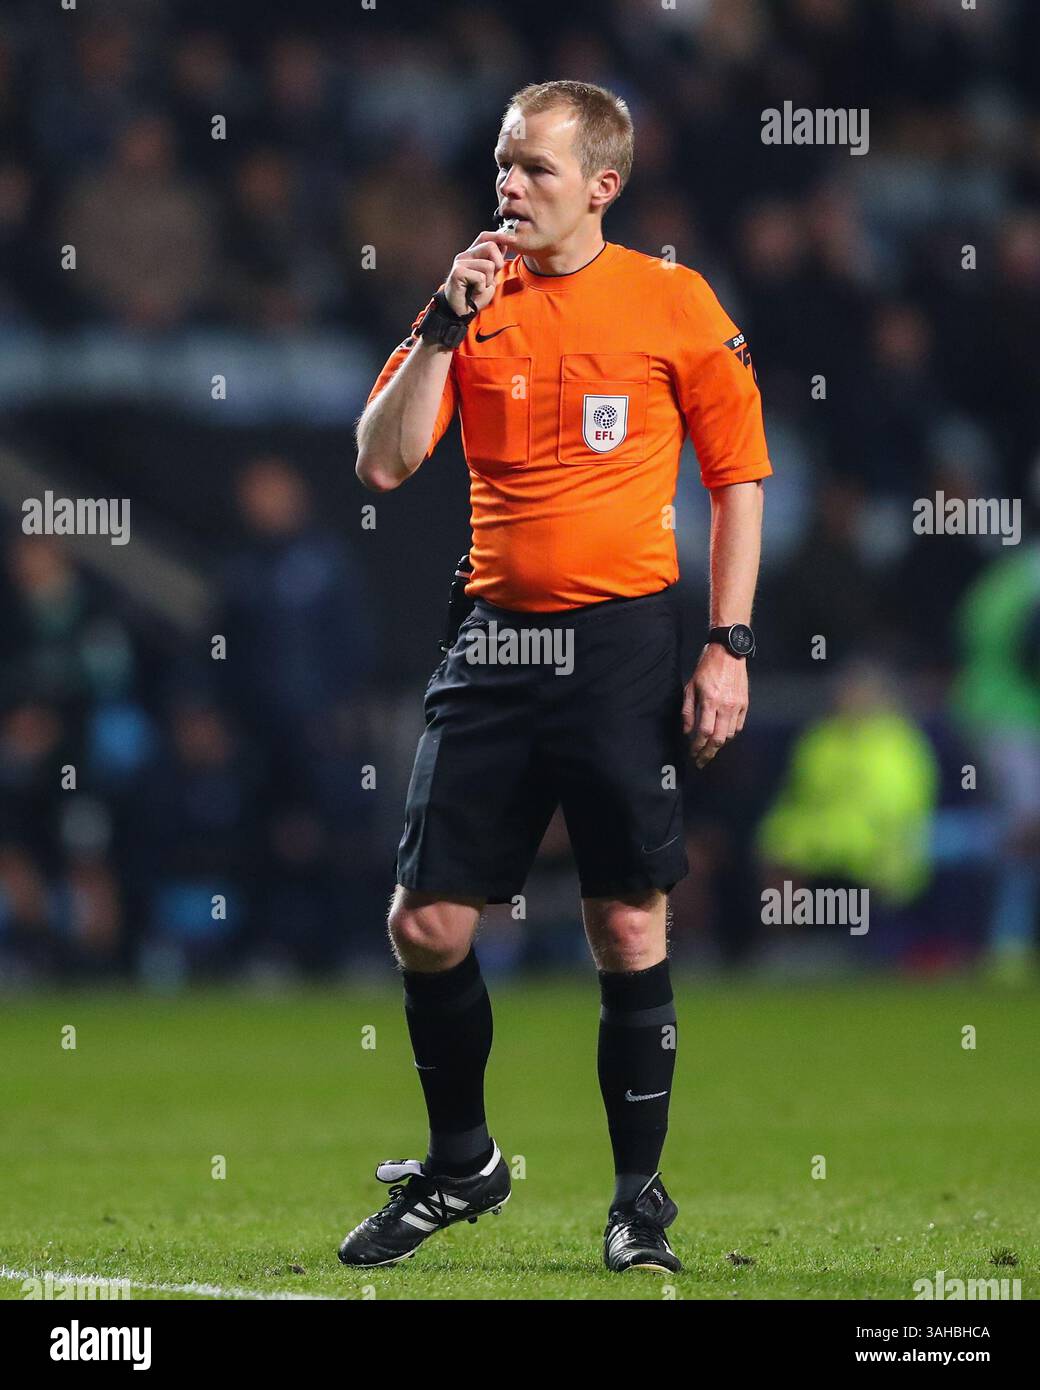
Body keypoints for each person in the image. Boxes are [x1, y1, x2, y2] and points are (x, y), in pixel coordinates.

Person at [340, 80, 772, 1274]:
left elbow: (737, 479)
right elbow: (380, 465)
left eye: (532, 167)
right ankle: (463, 1162)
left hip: (623, 642)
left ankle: (638, 1200)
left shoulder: (671, 302)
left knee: (624, 920)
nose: (508, 187)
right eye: (500, 164)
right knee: (425, 923)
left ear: (602, 185)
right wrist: (438, 324)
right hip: (490, 639)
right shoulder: (467, 302)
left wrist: (725, 644)